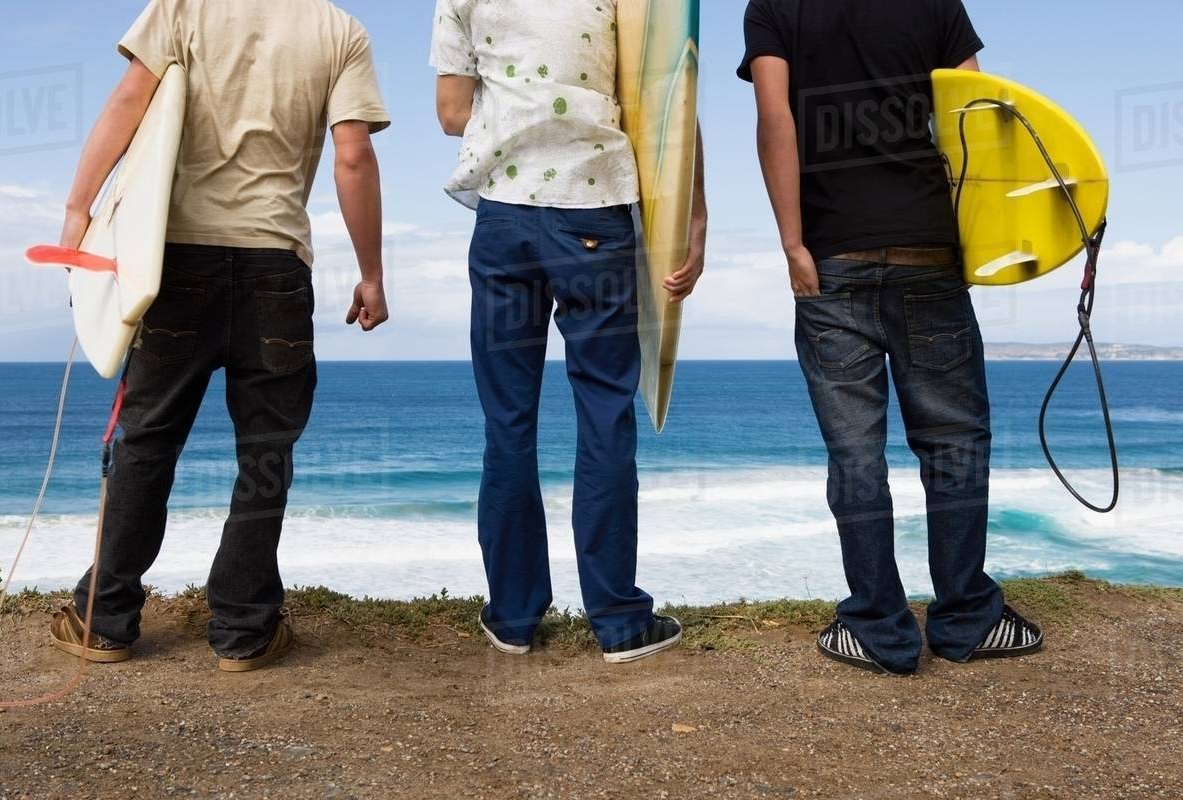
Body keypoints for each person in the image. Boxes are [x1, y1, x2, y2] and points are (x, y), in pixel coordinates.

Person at [49, 0, 391, 673]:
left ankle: (104, 621)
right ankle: (244, 629)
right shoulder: (340, 30)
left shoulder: (184, 6)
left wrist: (76, 211)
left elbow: (128, 101)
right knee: (265, 453)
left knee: (147, 439)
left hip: (176, 263)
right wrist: (371, 274)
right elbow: (352, 156)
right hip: (276, 267)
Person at [739, 0, 1042, 675]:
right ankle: (967, 620)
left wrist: (792, 243)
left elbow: (775, 119)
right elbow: (974, 119)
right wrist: (978, 241)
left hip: (831, 259)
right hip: (927, 248)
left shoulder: (773, 6)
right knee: (954, 441)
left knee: (856, 453)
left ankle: (878, 629)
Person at [431, 0, 708, 663]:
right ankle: (618, 621)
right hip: (595, 215)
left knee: (508, 421)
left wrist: (520, 109)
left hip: (504, 223)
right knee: (606, 412)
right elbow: (667, 97)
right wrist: (694, 217)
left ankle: (513, 618)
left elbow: (450, 114)